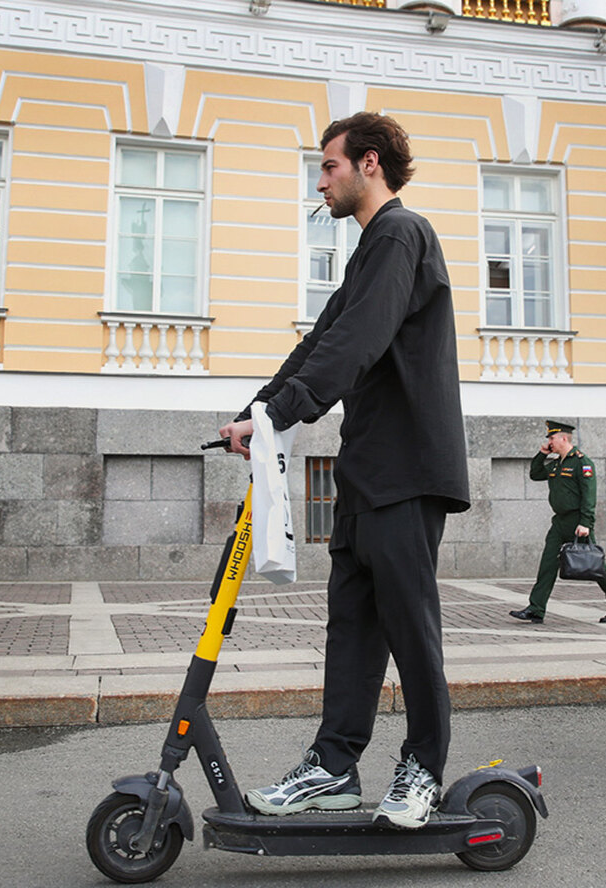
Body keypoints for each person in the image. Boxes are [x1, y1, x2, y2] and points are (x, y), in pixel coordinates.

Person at [217, 112, 469, 828]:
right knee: (352, 625)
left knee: (409, 622)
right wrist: (260, 411)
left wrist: (285, 412)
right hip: (368, 470)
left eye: (327, 166)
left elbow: (357, 340)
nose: (319, 180)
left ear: (368, 164)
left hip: (408, 468)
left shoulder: (401, 233)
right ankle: (333, 766)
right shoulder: (369, 253)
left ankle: (423, 765)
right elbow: (322, 339)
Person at [510, 420, 606, 624]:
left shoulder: (582, 463)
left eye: (552, 438)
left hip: (577, 522)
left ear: (564, 438)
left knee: (595, 566)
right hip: (559, 522)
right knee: (547, 564)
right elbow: (535, 474)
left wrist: (586, 523)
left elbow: (589, 496)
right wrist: (542, 453)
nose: (549, 441)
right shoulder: (556, 463)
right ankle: (536, 608)